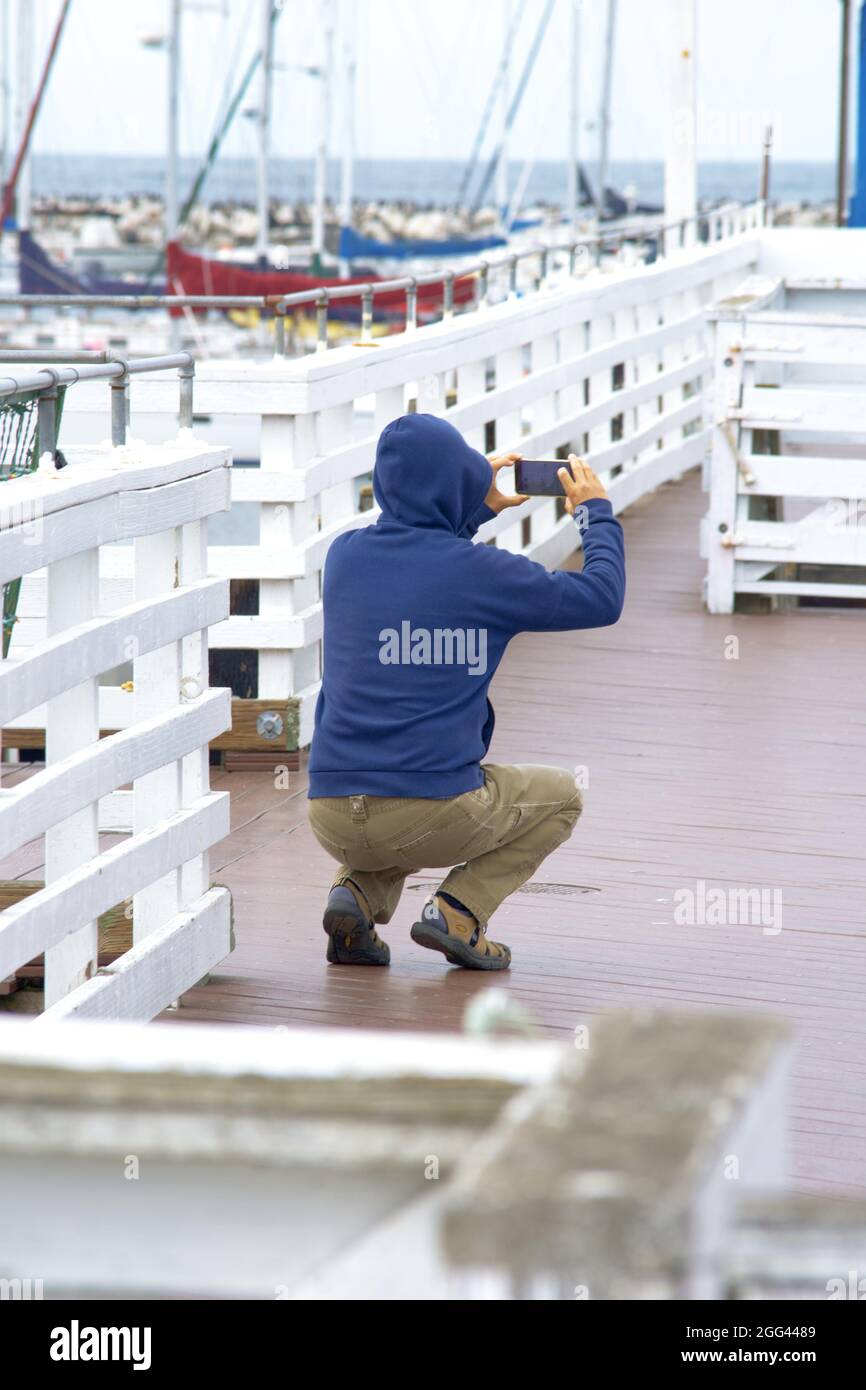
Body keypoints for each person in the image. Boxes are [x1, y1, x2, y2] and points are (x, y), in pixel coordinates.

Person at [307, 413, 625, 971]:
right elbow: (602, 597)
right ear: (456, 481)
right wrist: (594, 514)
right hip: (428, 814)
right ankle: (459, 913)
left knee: (389, 785)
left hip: (330, 813)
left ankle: (356, 894)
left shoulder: (344, 557)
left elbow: (419, 569)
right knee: (562, 795)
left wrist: (471, 511)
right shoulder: (487, 575)